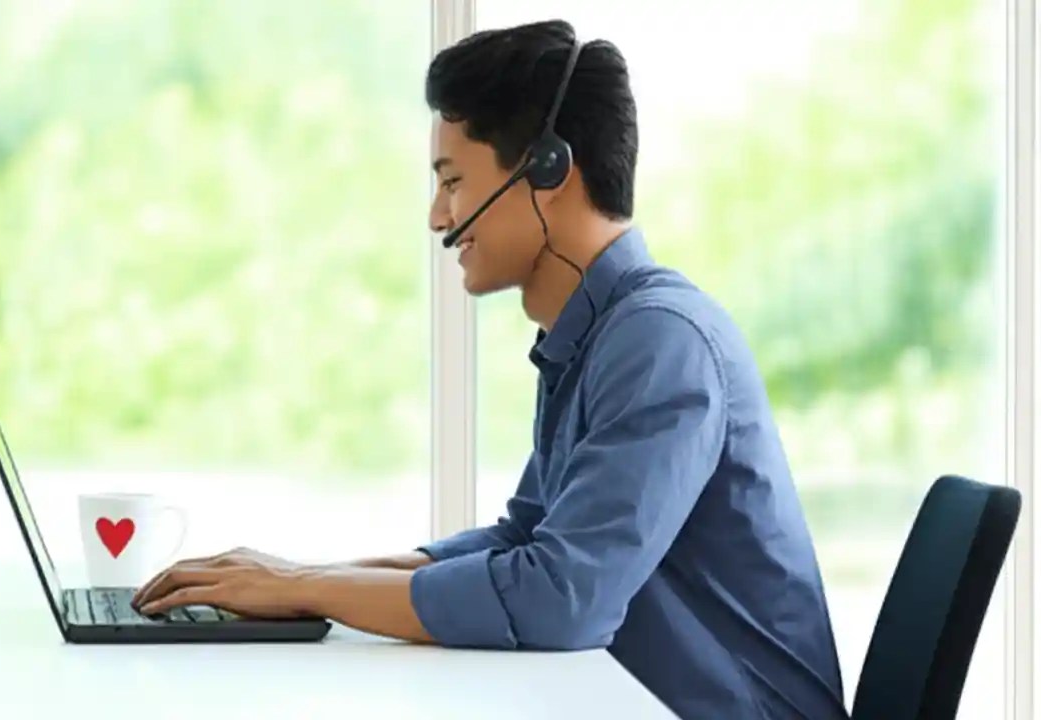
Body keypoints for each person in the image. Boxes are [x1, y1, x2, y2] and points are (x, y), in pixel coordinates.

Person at [133, 19, 847, 719]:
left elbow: (560, 599)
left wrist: (313, 590)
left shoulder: (660, 342)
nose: (438, 217)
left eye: (452, 181)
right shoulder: (601, 334)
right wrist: (298, 578)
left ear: (547, 170)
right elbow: (525, 544)